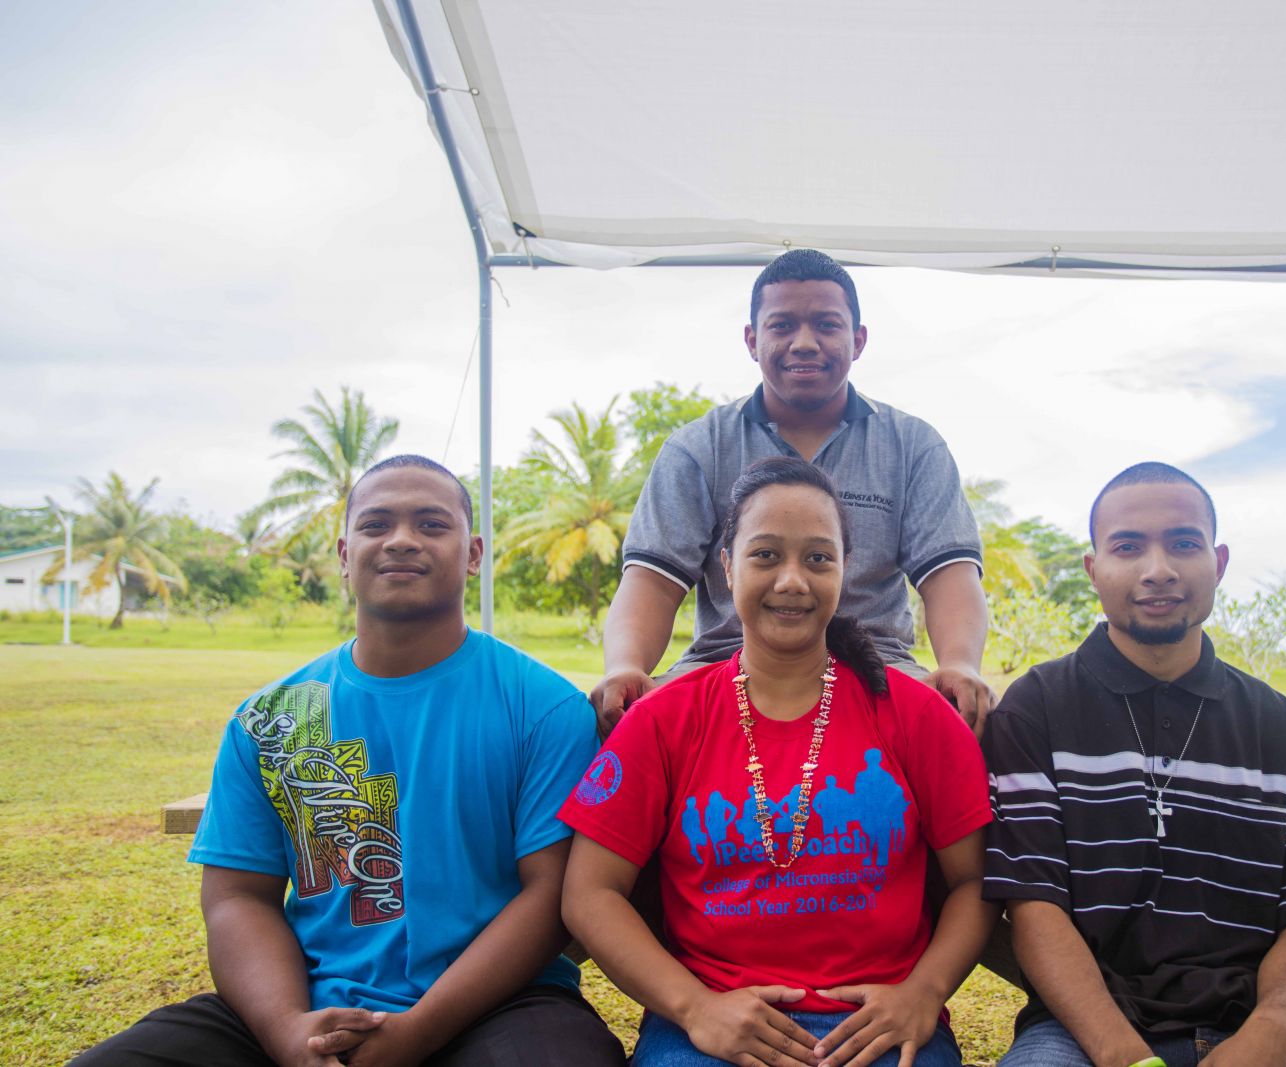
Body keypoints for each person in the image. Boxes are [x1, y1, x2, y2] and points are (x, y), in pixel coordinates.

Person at [69, 455, 624, 1067]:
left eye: (432, 524)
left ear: (473, 554)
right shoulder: (271, 719)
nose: (402, 540)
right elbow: (237, 898)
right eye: (376, 524)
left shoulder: (544, 709)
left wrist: (417, 1032)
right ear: (343, 554)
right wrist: (287, 1030)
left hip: (501, 1003)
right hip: (308, 1000)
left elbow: (550, 896)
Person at [981, 462, 1286, 1067]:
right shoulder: (1036, 709)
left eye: (1184, 544)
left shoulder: (1277, 723)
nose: (1157, 569)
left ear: (1218, 562)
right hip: (1085, 1032)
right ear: (1093, 569)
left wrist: (1275, 1029)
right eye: (1127, 547)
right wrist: (1124, 1055)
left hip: (1271, 1026)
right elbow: (1034, 904)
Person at [561, 457, 995, 1067]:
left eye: (818, 558)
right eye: (766, 555)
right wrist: (694, 1008)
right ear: (726, 566)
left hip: (879, 1025)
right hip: (712, 1026)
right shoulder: (663, 722)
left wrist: (923, 992)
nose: (792, 581)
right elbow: (590, 893)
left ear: (845, 569)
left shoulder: (917, 716)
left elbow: (976, 881)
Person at [592, 248, 994, 736]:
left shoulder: (914, 446)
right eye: (782, 325)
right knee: (618, 730)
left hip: (875, 668)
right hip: (723, 666)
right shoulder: (699, 447)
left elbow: (949, 575)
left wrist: (959, 664)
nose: (804, 343)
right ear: (752, 340)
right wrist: (626, 665)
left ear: (858, 340)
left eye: (826, 325)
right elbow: (653, 581)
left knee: (969, 730)